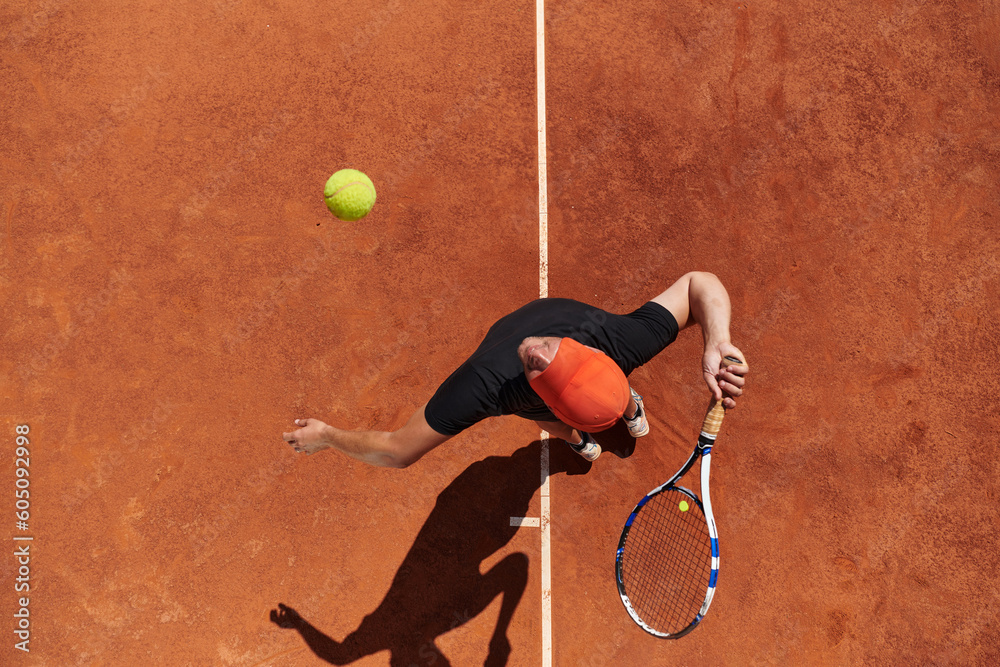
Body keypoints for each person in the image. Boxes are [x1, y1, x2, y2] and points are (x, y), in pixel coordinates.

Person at [282, 271, 747, 466]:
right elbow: (697, 284)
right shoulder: (621, 345)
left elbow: (397, 451)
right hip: (580, 377)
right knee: (575, 410)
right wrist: (719, 339)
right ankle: (587, 430)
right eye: (551, 356)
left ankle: (610, 415)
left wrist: (327, 434)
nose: (538, 353)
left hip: (563, 387)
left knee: (575, 403)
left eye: (545, 369)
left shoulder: (490, 383)